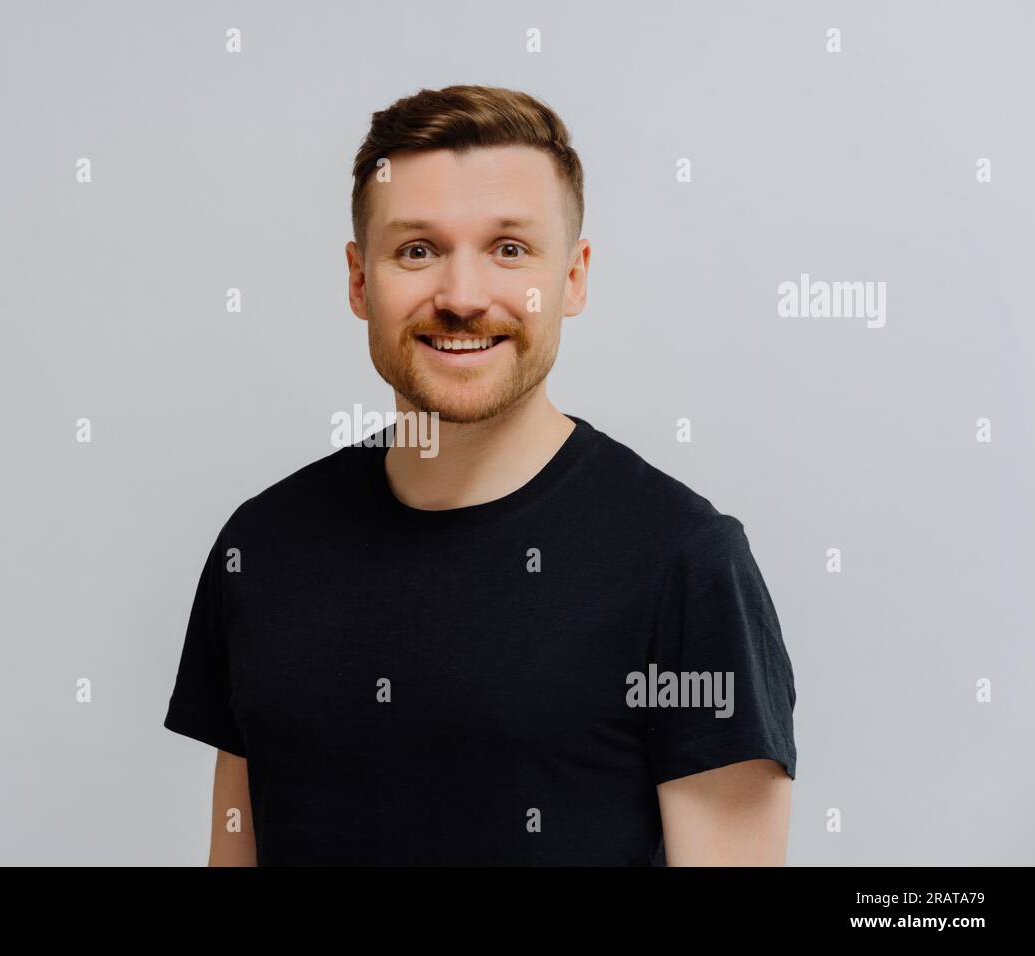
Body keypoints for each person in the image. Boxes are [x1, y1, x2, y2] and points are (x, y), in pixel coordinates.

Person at [164, 84, 797, 866]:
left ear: (573, 277)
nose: (462, 298)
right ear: (361, 281)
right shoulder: (260, 547)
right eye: (418, 250)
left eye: (508, 249)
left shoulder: (686, 564)